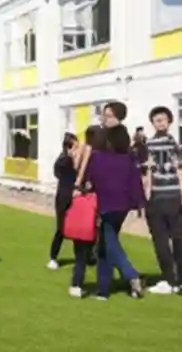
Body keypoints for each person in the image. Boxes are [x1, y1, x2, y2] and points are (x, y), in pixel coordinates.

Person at [82, 124, 146, 300]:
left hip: (106, 205)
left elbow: (90, 182)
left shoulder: (98, 158)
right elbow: (136, 182)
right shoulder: (129, 158)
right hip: (123, 206)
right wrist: (139, 204)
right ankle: (103, 290)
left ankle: (131, 274)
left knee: (110, 244)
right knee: (105, 246)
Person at [144, 106, 182, 295]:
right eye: (157, 120)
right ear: (153, 123)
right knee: (160, 240)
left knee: (178, 238)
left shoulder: (174, 145)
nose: (160, 123)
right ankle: (169, 278)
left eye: (163, 119)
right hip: (157, 196)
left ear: (169, 121)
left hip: (173, 196)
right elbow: (149, 171)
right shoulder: (149, 144)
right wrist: (147, 194)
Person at [68, 125, 105, 295]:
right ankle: (99, 284)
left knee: (80, 248)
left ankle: (76, 283)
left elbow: (76, 169)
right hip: (93, 202)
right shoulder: (98, 156)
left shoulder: (82, 153)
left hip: (80, 200)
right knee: (95, 246)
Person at [48, 132, 80, 270]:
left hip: (71, 197)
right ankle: (53, 257)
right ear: (68, 148)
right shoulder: (65, 161)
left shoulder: (66, 160)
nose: (77, 150)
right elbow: (62, 174)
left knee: (77, 229)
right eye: (75, 147)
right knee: (61, 229)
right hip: (64, 198)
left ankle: (80, 257)